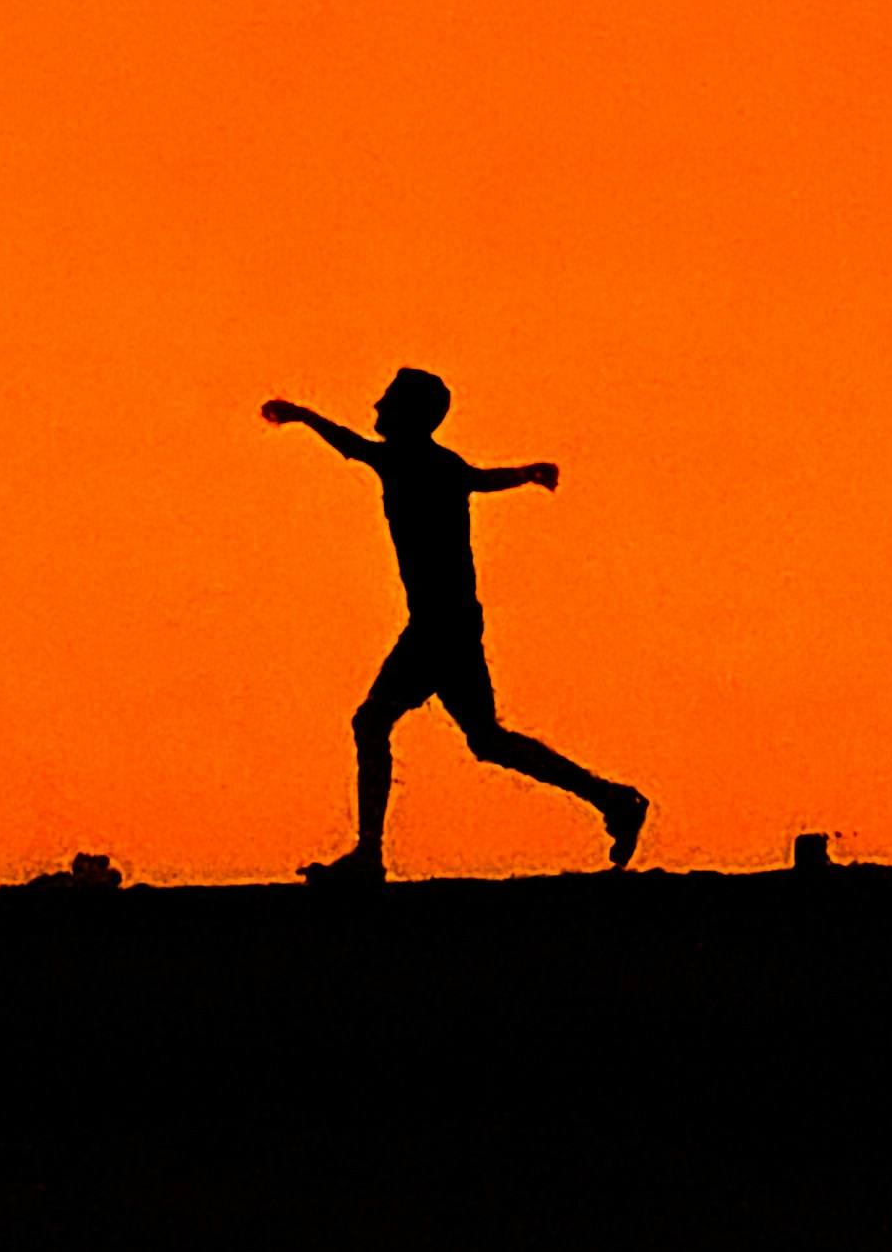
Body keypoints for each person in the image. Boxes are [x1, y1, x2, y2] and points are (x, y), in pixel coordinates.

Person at [263, 368, 649, 882]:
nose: (376, 407)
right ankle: (614, 799)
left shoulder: (407, 460)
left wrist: (300, 415)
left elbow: (351, 445)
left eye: (387, 402)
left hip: (438, 627)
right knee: (486, 740)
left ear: (411, 415)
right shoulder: (441, 464)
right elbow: (483, 480)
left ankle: (369, 856)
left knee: (372, 722)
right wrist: (528, 473)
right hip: (450, 622)